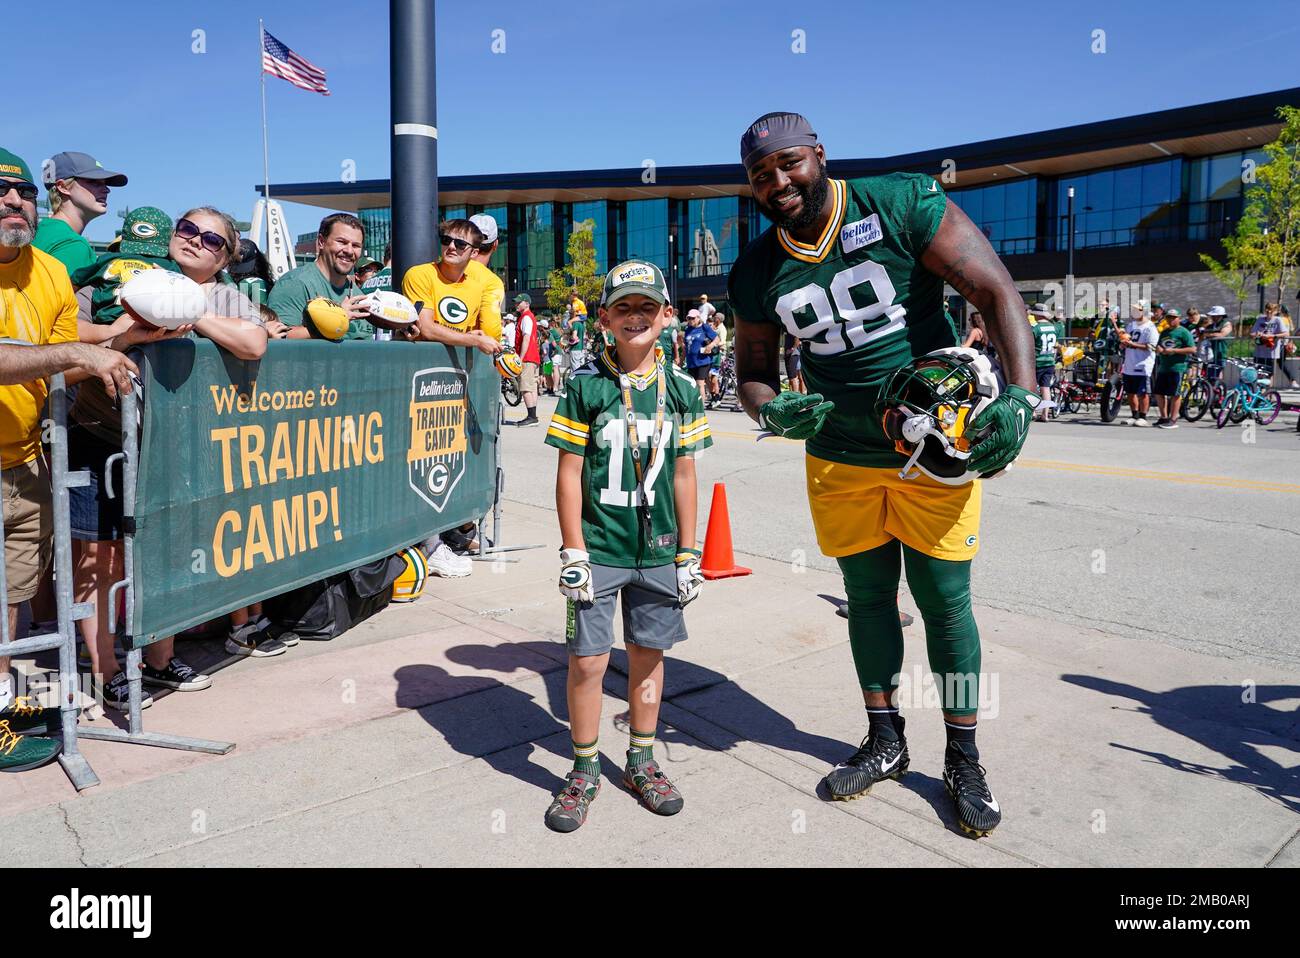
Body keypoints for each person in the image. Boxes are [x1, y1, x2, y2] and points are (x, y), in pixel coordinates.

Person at [729, 112, 1041, 838]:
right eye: (760, 175)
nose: (777, 182)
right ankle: (886, 739)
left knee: (944, 602)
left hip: (930, 443)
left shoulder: (897, 200)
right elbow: (752, 372)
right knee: (867, 599)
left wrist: (1023, 394)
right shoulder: (755, 267)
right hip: (839, 455)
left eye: (789, 164)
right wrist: (772, 413)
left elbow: (995, 290)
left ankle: (962, 754)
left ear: (820, 157)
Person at [69, 206, 271, 707]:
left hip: (173, 445)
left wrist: (190, 311)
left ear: (226, 257)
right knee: (101, 558)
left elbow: (255, 343)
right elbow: (66, 333)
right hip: (100, 434)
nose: (196, 241)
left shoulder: (226, 297)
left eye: (212, 239)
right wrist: (126, 331)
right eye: (187, 229)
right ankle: (106, 668)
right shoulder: (118, 270)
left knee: (168, 554)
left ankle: (158, 661)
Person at [543, 259, 709, 832]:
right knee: (588, 661)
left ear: (667, 314)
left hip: (660, 550)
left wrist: (691, 552)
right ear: (605, 318)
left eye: (646, 306)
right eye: (623, 307)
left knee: (648, 658)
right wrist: (572, 550)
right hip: (601, 546)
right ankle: (585, 766)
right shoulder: (586, 385)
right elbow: (569, 473)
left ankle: (641, 758)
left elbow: (686, 475)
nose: (634, 316)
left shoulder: (684, 390)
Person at [0, 148, 144, 770]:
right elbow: (49, 355)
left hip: (27, 458)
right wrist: (76, 357)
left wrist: (121, 341)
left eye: (23, 193)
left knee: (10, 592)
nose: (14, 203)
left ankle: (3, 701)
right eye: (0, 193)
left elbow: (60, 344)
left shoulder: (50, 273)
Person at [68, 207, 177, 344]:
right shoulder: (170, 266)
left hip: (107, 321)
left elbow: (75, 280)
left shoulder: (108, 259)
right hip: (152, 325)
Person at [401, 219, 503, 354]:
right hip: (418, 361)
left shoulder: (476, 288)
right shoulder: (419, 274)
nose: (451, 246)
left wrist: (472, 336)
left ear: (474, 253)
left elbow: (469, 334)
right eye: (446, 240)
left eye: (460, 244)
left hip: (454, 368)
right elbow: (427, 329)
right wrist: (475, 340)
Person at [266, 213, 373, 341]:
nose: (349, 251)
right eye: (341, 242)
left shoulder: (358, 294)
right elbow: (280, 337)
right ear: (321, 242)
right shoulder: (295, 284)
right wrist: (335, 320)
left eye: (355, 245)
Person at [33, 152, 127, 276]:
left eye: (105, 183)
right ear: (63, 187)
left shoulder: (40, 231)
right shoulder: (73, 245)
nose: (106, 190)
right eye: (94, 182)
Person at [1152, 308, 1195, 428]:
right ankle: (1164, 417)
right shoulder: (1164, 332)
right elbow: (1158, 346)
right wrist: (1159, 349)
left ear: (1179, 318)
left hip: (1178, 367)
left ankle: (1173, 418)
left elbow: (1192, 349)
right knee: (1159, 393)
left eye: (1173, 317)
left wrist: (1174, 350)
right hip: (1164, 367)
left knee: (1175, 394)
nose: (1171, 320)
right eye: (1169, 317)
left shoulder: (1184, 332)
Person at [1121, 303, 1158, 425]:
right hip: (1129, 362)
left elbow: (1151, 346)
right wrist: (1123, 343)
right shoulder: (1130, 325)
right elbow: (1125, 340)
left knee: (1142, 392)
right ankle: (1134, 415)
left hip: (1143, 364)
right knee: (1130, 392)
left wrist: (1132, 344)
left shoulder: (1150, 327)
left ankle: (1143, 416)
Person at [512, 293, 541, 425]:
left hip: (528, 357)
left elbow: (526, 338)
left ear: (527, 304)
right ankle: (533, 415)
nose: (516, 304)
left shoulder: (526, 318)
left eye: (519, 302)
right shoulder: (528, 317)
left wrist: (521, 358)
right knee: (532, 387)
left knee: (525, 387)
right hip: (533, 357)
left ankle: (532, 417)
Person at [1028, 303, 1061, 421]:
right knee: (1045, 388)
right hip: (1050, 361)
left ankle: (1033, 412)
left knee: (1033, 388)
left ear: (1036, 315)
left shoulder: (1035, 328)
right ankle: (1045, 415)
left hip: (1037, 362)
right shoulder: (1053, 327)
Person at [682, 308, 717, 404]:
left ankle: (701, 407)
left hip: (703, 360)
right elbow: (685, 347)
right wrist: (681, 361)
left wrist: (710, 346)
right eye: (689, 318)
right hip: (691, 361)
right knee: (692, 384)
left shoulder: (704, 327)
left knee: (700, 383)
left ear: (698, 318)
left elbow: (716, 339)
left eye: (693, 318)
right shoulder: (688, 330)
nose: (690, 320)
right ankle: (696, 403)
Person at [1250, 302, 1284, 378]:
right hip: (1259, 353)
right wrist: (1257, 334)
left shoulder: (1278, 320)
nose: (1268, 312)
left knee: (1269, 374)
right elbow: (1252, 333)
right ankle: (1259, 389)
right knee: (1258, 374)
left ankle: (1268, 390)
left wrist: (1272, 336)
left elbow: (1286, 334)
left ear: (1275, 311)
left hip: (1271, 353)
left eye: (1271, 310)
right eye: (1267, 310)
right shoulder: (1260, 319)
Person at [1202, 305, 1232, 383]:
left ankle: (1219, 392)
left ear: (1221, 316)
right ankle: (1211, 392)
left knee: (1218, 375)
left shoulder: (1226, 324)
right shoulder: (1210, 326)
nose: (1213, 318)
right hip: (1210, 355)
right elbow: (1202, 335)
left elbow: (1222, 334)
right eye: (1213, 316)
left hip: (1221, 353)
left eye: (1215, 316)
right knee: (1209, 377)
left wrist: (1209, 335)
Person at [706, 310, 728, 403]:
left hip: (719, 354)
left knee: (713, 376)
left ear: (719, 319)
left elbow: (723, 341)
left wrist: (714, 344)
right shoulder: (714, 327)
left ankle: (716, 396)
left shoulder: (722, 329)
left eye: (715, 318)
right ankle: (714, 395)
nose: (714, 319)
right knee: (710, 377)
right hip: (712, 353)